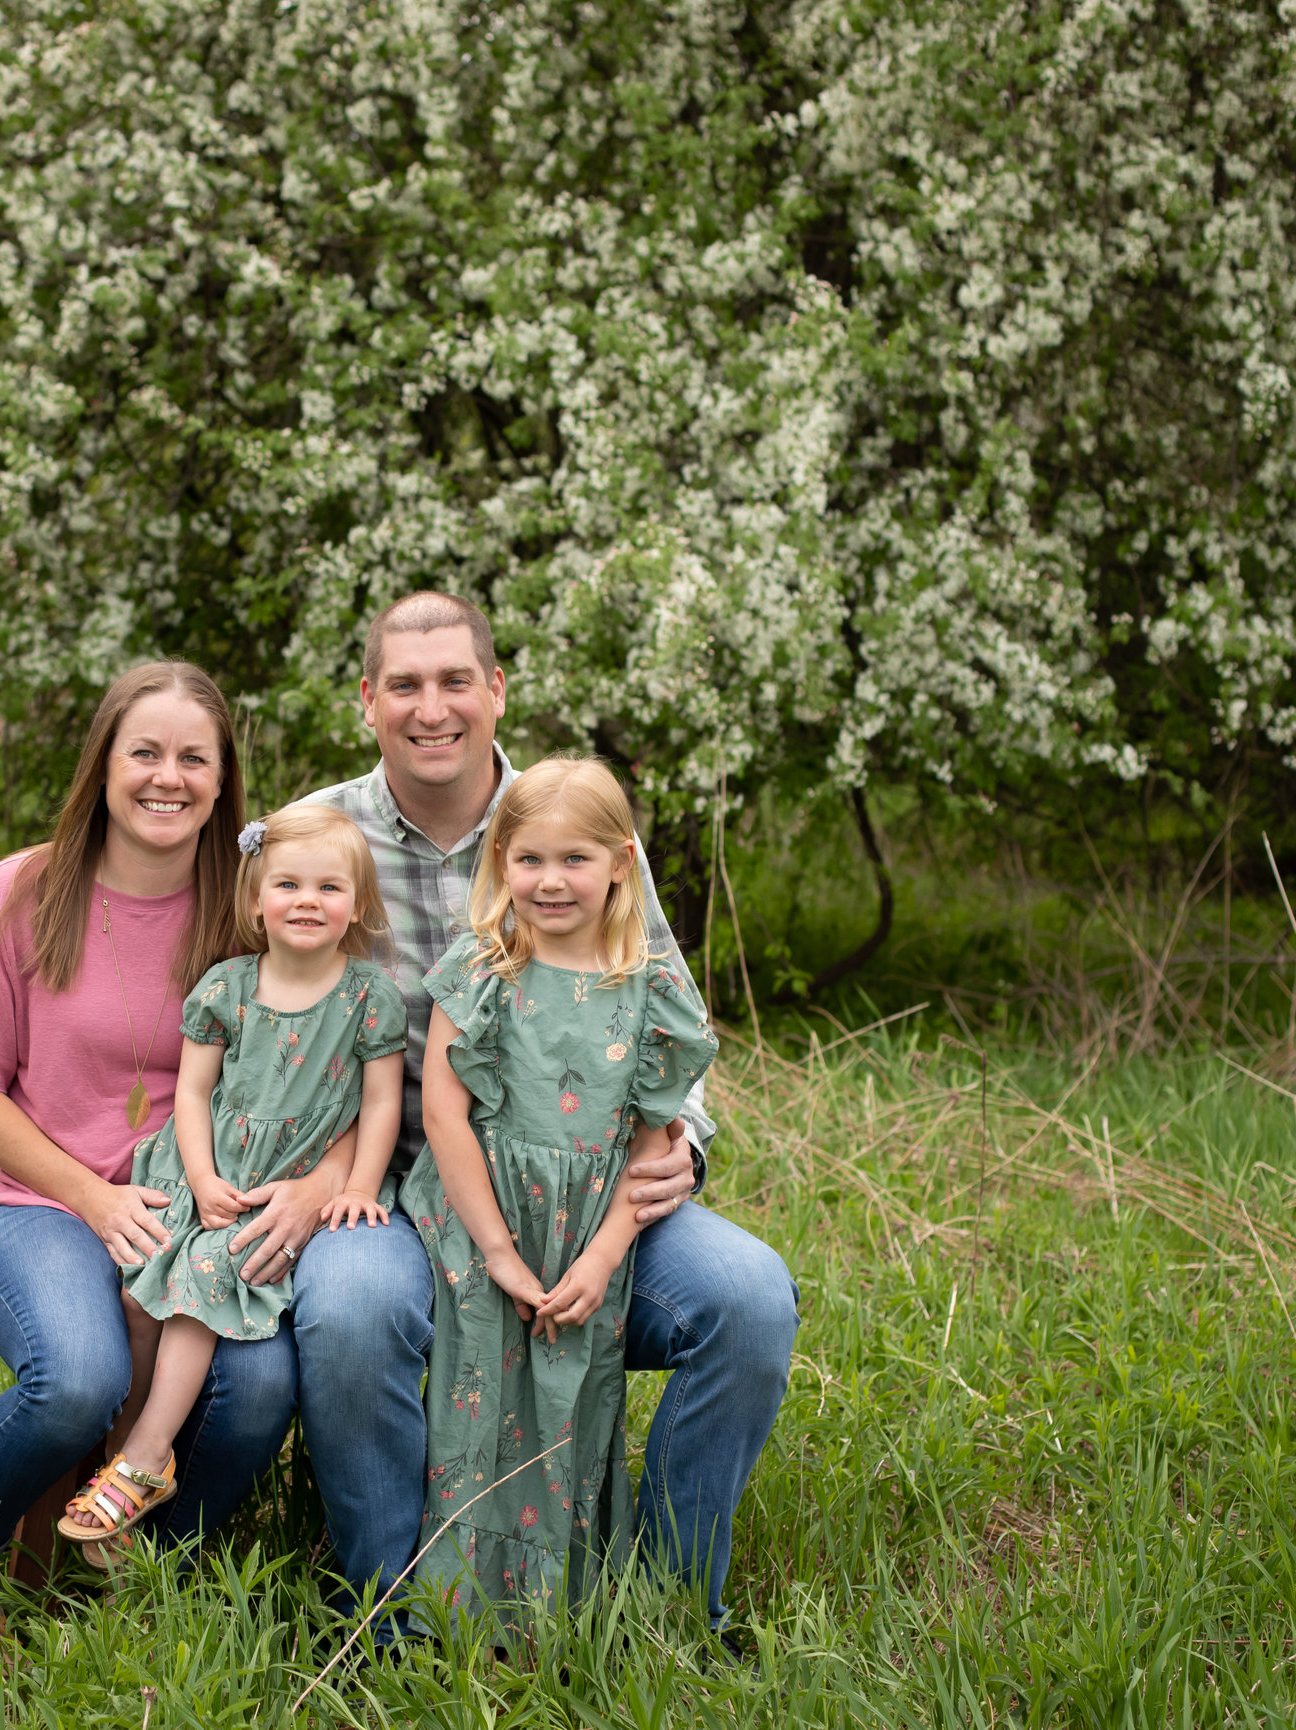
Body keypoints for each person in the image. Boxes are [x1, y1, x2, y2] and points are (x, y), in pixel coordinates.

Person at [290, 592, 798, 1643]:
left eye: (455, 681)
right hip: (387, 1187)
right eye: (406, 685)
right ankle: (398, 1614)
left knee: (747, 1296)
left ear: (496, 689)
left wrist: (681, 1152)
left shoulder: (578, 823)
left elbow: (664, 1016)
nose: (433, 708)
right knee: (347, 1312)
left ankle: (660, 1607)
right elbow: (254, 1010)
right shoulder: (321, 835)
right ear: (368, 701)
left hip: (591, 1182)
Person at [0, 662, 307, 1634]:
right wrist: (93, 1195)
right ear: (104, 764)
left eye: (193, 758)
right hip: (39, 1202)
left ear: (222, 784)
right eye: (146, 751)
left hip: (194, 1211)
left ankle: (137, 1560)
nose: (167, 776)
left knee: (259, 1386)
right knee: (78, 1376)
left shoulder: (247, 913)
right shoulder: (23, 891)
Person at [406, 757, 718, 1619]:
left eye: (574, 860)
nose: (549, 881)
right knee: (476, 1403)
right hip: (482, 1217)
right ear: (500, 860)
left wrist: (603, 1256)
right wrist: (499, 1252)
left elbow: (652, 1150)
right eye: (529, 859)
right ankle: (453, 1608)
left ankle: (565, 1608)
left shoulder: (649, 989)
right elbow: (443, 1115)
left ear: (621, 861)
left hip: (590, 1229)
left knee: (571, 1400)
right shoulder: (482, 969)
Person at [57, 804, 409, 1560]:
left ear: (359, 906)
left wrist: (359, 1186)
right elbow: (189, 1094)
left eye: (328, 887)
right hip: (204, 1171)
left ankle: (148, 1457)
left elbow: (381, 1102)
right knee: (136, 1295)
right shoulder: (228, 986)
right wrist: (201, 1175)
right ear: (255, 900)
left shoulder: (367, 996)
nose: (307, 900)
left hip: (275, 1191)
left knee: (198, 1290)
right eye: (287, 884)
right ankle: (118, 1466)